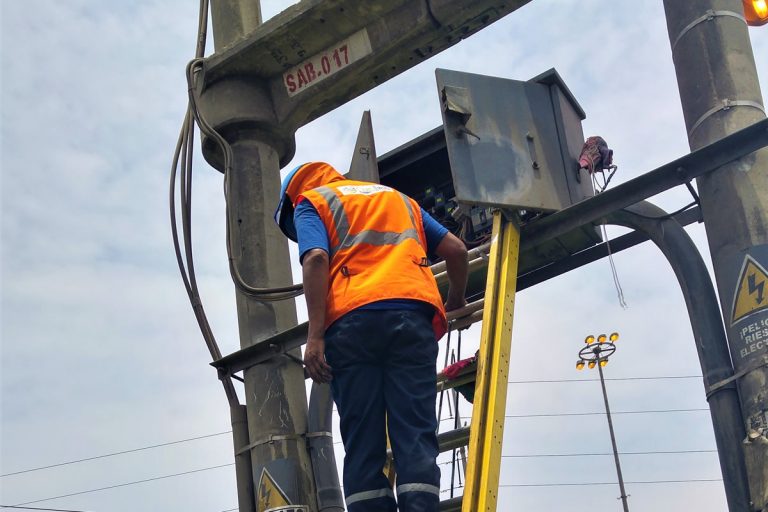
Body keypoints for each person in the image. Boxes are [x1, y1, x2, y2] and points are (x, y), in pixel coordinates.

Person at [274, 162, 469, 512]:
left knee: (363, 442)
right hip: (412, 318)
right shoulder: (399, 200)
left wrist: (315, 337)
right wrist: (455, 300)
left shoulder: (311, 201)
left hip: (352, 323)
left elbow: (315, 258)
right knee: (415, 433)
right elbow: (456, 250)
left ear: (291, 200)